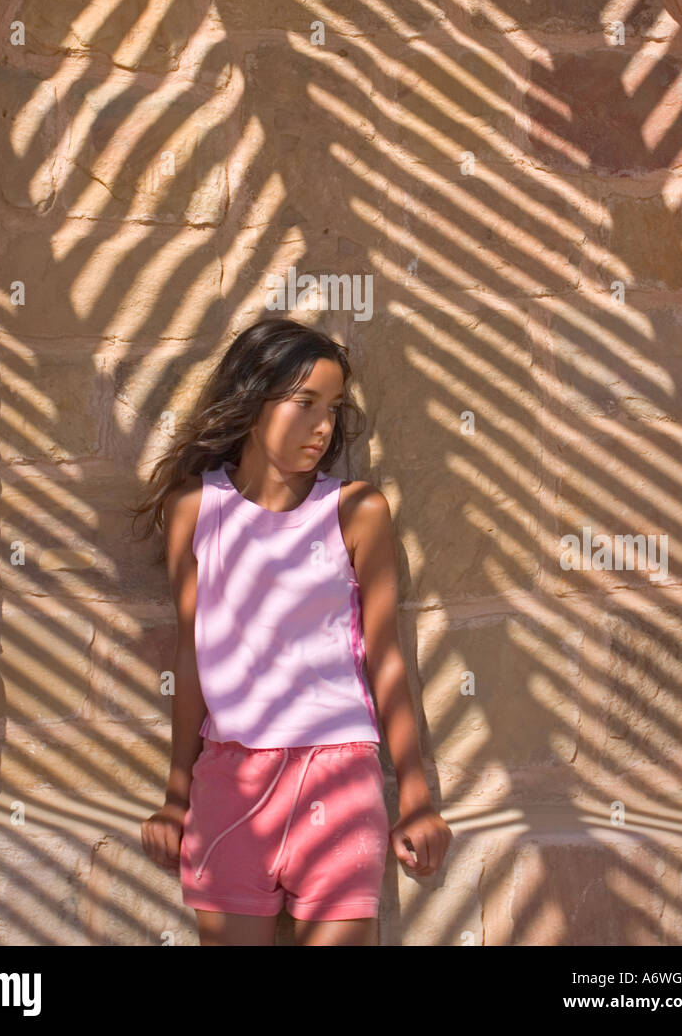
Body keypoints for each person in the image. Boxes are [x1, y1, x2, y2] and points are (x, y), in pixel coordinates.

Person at [134, 317, 451, 946]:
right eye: (304, 403)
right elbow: (193, 657)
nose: (324, 425)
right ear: (252, 402)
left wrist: (415, 795)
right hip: (229, 782)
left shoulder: (357, 511)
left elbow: (386, 659)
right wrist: (177, 795)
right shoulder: (194, 510)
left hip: (339, 776)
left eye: (333, 408)